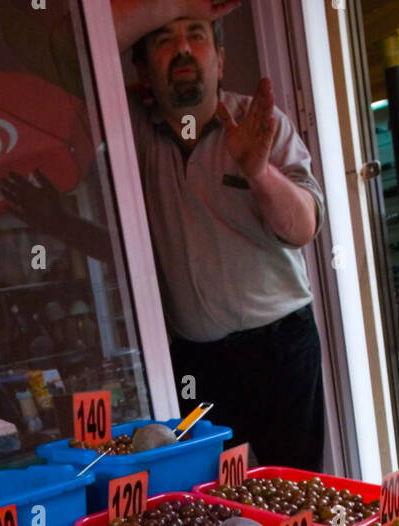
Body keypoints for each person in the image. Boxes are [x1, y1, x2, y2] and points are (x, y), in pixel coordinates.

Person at [111, 0, 326, 471]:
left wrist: (258, 171)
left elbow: (303, 226)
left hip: (281, 345)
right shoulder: (135, 134)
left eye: (198, 35)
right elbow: (80, 55)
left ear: (221, 61)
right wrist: (177, 4)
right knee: (216, 504)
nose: (184, 48)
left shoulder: (259, 123)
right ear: (143, 69)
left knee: (297, 496)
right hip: (198, 360)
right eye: (164, 40)